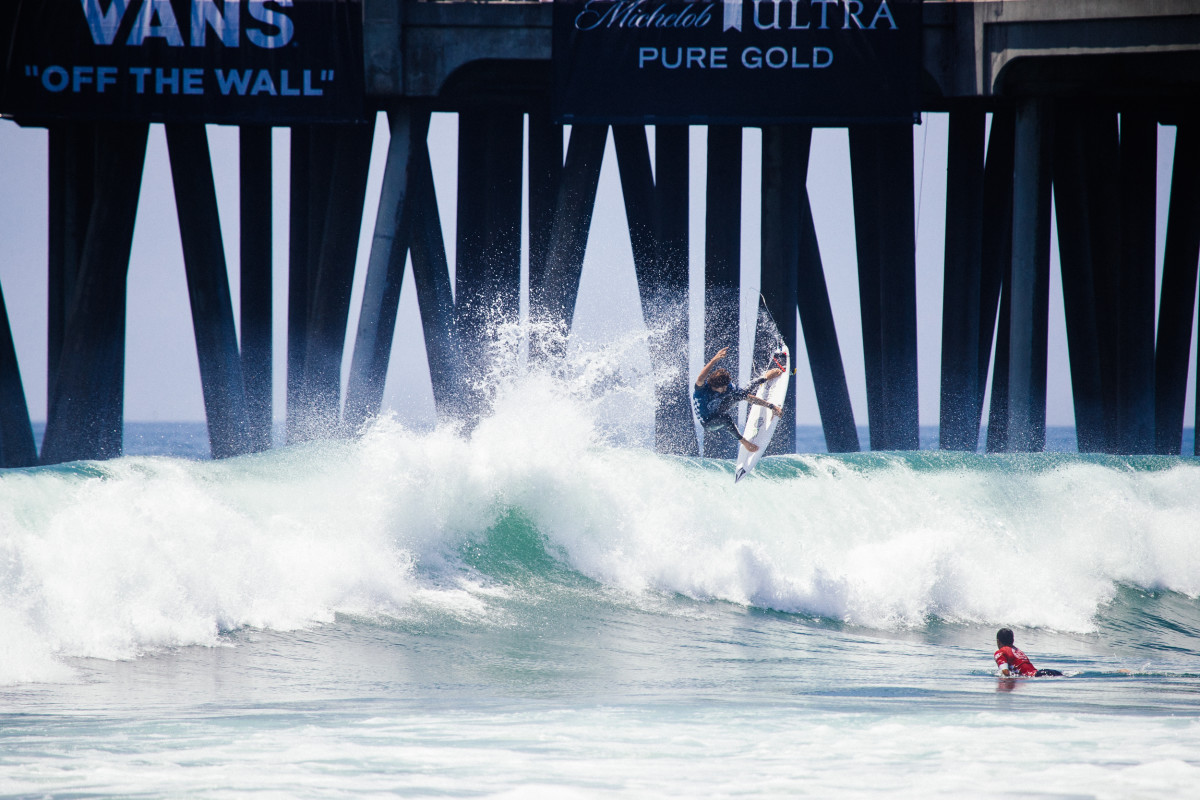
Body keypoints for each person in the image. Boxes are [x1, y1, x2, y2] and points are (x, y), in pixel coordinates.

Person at [693, 346, 783, 453]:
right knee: (726, 419)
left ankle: (765, 377)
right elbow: (700, 378)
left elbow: (748, 397)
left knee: (741, 394)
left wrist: (771, 406)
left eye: (726, 387)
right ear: (715, 386)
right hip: (708, 422)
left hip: (720, 408)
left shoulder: (728, 387)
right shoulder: (702, 390)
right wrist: (714, 359)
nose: (726, 389)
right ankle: (744, 442)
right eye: (723, 388)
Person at [994, 628, 1063, 677]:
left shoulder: (1000, 652)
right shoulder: (1017, 650)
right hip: (1045, 672)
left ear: (998, 641)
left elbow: (1005, 673)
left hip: (1037, 676)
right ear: (1013, 640)